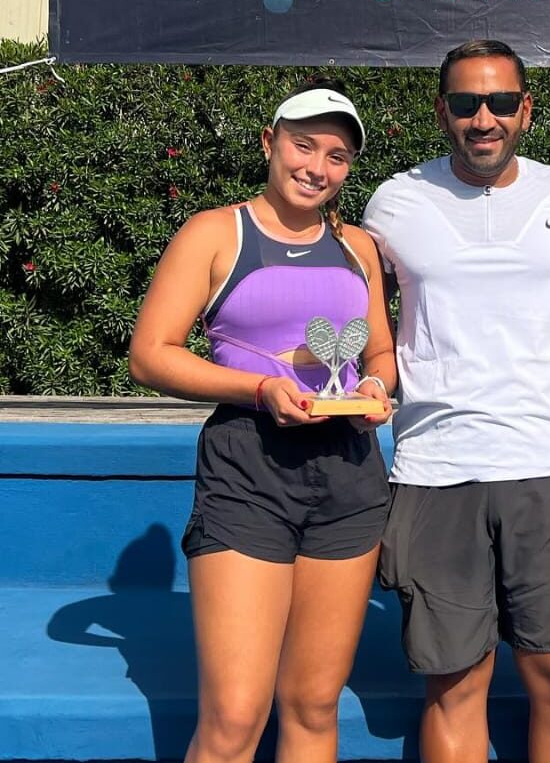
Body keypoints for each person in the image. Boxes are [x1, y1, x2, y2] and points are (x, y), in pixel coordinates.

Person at [127, 80, 395, 763]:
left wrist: (373, 387)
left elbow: (380, 352)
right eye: (304, 146)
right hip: (248, 469)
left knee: (313, 706)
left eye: (337, 156)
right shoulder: (215, 232)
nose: (317, 167)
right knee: (234, 719)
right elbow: (151, 355)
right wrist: (259, 389)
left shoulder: (359, 247)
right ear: (269, 143)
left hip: (350, 475)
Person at [362, 39, 550, 763]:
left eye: (500, 102)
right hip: (434, 469)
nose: (484, 118)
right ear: (442, 110)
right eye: (467, 102)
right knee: (455, 687)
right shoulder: (394, 202)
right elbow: (356, 320)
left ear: (525, 110)